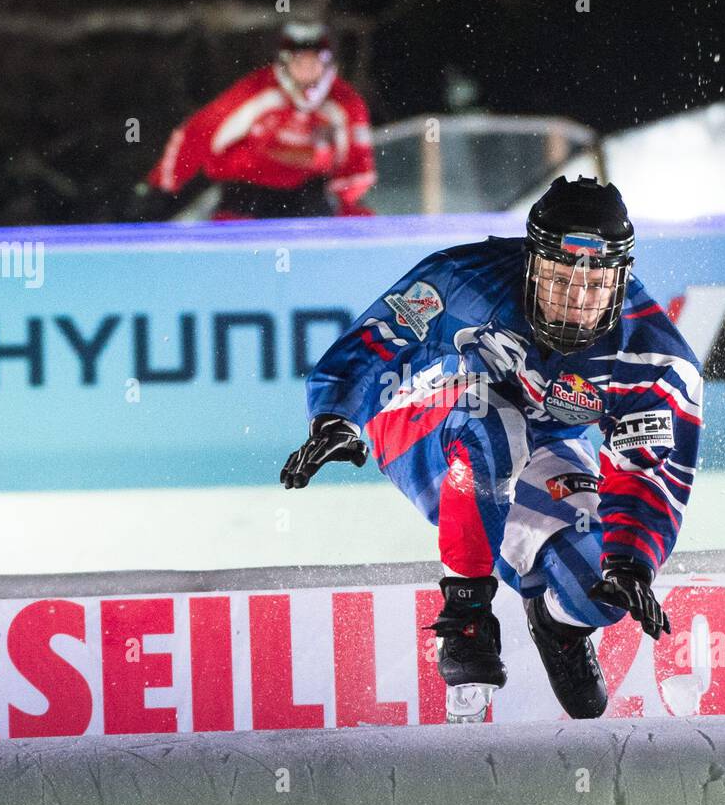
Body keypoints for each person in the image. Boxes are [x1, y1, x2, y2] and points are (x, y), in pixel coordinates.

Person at [281, 176, 703, 721]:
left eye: (594, 285)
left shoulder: (657, 362)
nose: (575, 300)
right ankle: (466, 614)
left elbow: (647, 474)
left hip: (543, 442)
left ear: (622, 280)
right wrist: (337, 414)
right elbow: (382, 337)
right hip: (422, 423)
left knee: (596, 584)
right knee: (489, 419)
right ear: (530, 263)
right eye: (558, 279)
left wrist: (631, 558)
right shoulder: (464, 280)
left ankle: (558, 625)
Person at [143, 21, 376, 219]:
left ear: (326, 64)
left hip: (307, 195)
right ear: (285, 64)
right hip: (246, 191)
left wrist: (347, 205)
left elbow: (358, 164)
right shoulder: (258, 90)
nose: (307, 71)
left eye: (313, 63)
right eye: (299, 63)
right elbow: (200, 132)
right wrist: (163, 185)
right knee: (234, 233)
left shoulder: (346, 104)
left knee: (338, 222)